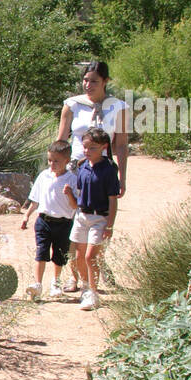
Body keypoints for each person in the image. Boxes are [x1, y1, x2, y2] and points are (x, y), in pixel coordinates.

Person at [57, 61, 129, 292]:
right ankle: (74, 275)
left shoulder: (118, 108)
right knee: (73, 220)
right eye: (86, 80)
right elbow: (61, 141)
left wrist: (122, 177)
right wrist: (56, 173)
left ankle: (95, 267)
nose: (88, 85)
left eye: (94, 81)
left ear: (106, 81)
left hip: (101, 171)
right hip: (75, 169)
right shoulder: (73, 105)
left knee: (101, 219)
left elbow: (121, 145)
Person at [61, 127, 119, 311]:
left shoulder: (109, 169)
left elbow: (112, 199)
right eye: (85, 147)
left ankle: (93, 294)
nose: (87, 151)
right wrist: (70, 195)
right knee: (79, 256)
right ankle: (85, 288)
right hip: (82, 215)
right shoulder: (83, 166)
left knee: (90, 257)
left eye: (92, 148)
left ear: (103, 147)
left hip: (99, 218)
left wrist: (109, 225)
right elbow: (79, 196)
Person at [19, 141, 76, 301]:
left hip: (64, 223)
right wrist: (27, 215)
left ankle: (56, 282)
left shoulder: (72, 179)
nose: (52, 164)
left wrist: (70, 194)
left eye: (56, 161)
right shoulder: (44, 176)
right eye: (50, 160)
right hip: (43, 221)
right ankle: (38, 284)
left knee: (59, 254)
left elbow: (74, 205)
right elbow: (35, 200)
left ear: (67, 160)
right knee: (41, 252)